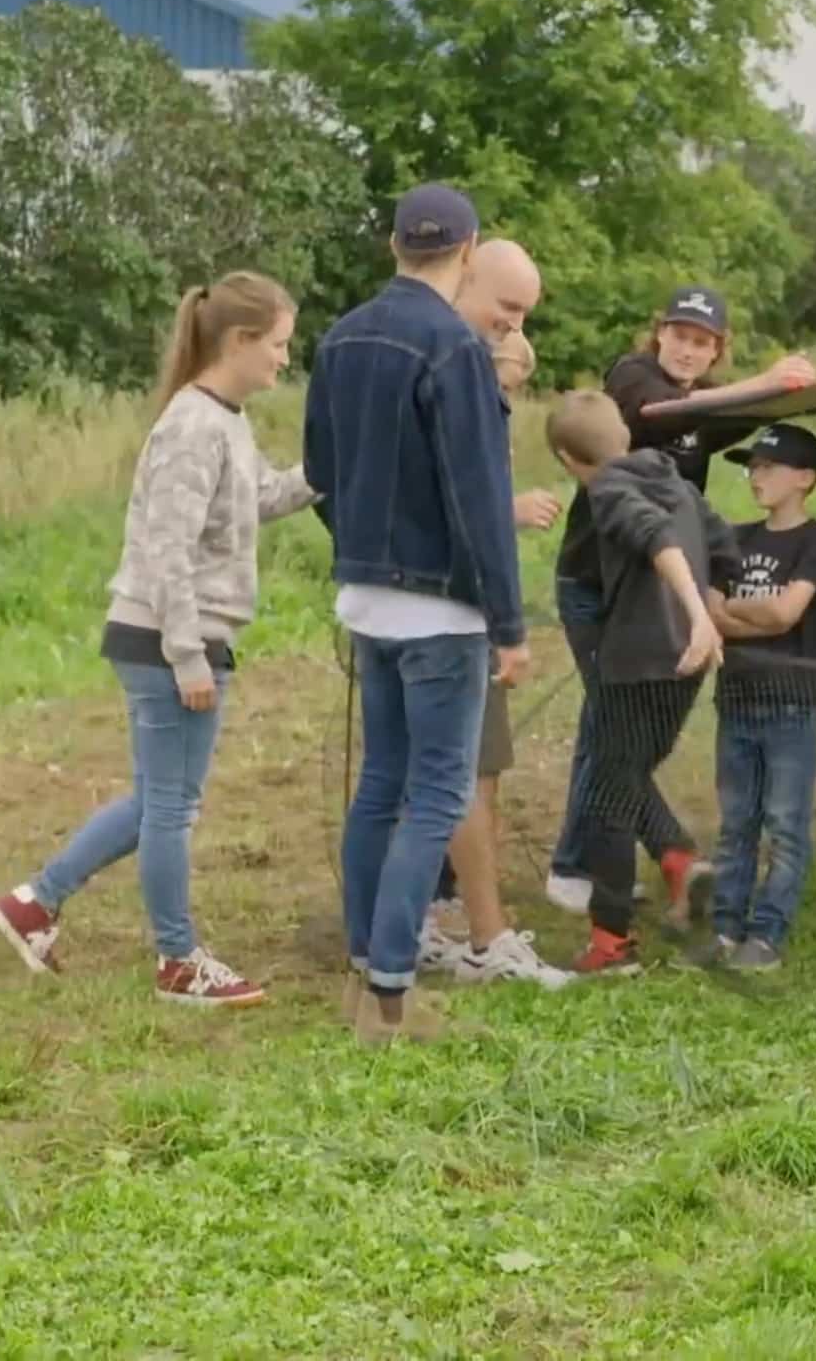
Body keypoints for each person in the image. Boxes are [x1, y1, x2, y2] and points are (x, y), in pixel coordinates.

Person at [0, 272, 314, 1007]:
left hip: (172, 638)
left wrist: (326, 473)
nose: (285, 359)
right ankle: (178, 959)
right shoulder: (193, 427)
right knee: (171, 809)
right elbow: (168, 550)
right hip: (166, 640)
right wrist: (188, 655)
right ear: (239, 340)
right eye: (279, 344)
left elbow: (258, 498)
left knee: (159, 800)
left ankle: (34, 904)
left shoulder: (226, 420)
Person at [305, 185, 530, 1045]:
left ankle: (365, 961)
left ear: (394, 246)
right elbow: (478, 496)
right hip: (441, 607)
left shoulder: (340, 337)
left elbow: (321, 469)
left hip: (366, 596)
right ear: (467, 252)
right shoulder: (455, 347)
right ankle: (391, 993)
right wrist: (508, 623)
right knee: (437, 794)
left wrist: (360, 547)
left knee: (381, 785)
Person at [544, 286, 816, 930]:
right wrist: (762, 382)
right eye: (680, 335)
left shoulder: (707, 407)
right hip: (593, 579)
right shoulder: (632, 377)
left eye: (702, 342)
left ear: (716, 350)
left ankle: (596, 861)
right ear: (659, 334)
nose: (688, 350)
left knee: (614, 729)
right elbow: (664, 412)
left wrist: (793, 387)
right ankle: (612, 862)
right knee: (611, 727)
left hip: (652, 583)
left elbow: (734, 419)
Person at [417, 242, 572, 990]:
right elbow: (457, 506)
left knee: (439, 773)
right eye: (507, 313)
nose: (512, 331)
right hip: (454, 615)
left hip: (428, 608)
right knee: (468, 775)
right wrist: (509, 625)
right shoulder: (453, 380)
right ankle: (485, 935)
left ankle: (417, 921)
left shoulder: (429, 372)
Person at [545, 390, 735, 975]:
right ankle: (677, 860)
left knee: (607, 794)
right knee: (624, 773)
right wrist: (705, 612)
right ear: (625, 436)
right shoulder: (678, 481)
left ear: (567, 459)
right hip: (683, 668)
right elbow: (725, 548)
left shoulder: (607, 490)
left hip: (637, 663)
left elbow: (654, 536)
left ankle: (611, 942)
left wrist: (697, 616)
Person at [687, 423, 816, 974]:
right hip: (738, 697)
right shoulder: (735, 538)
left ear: (805, 478)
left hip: (791, 703)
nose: (756, 477)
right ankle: (725, 928)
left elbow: (786, 614)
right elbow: (712, 612)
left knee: (785, 823)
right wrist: (746, 616)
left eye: (768, 467)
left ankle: (768, 932)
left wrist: (735, 613)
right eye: (752, 467)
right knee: (737, 822)